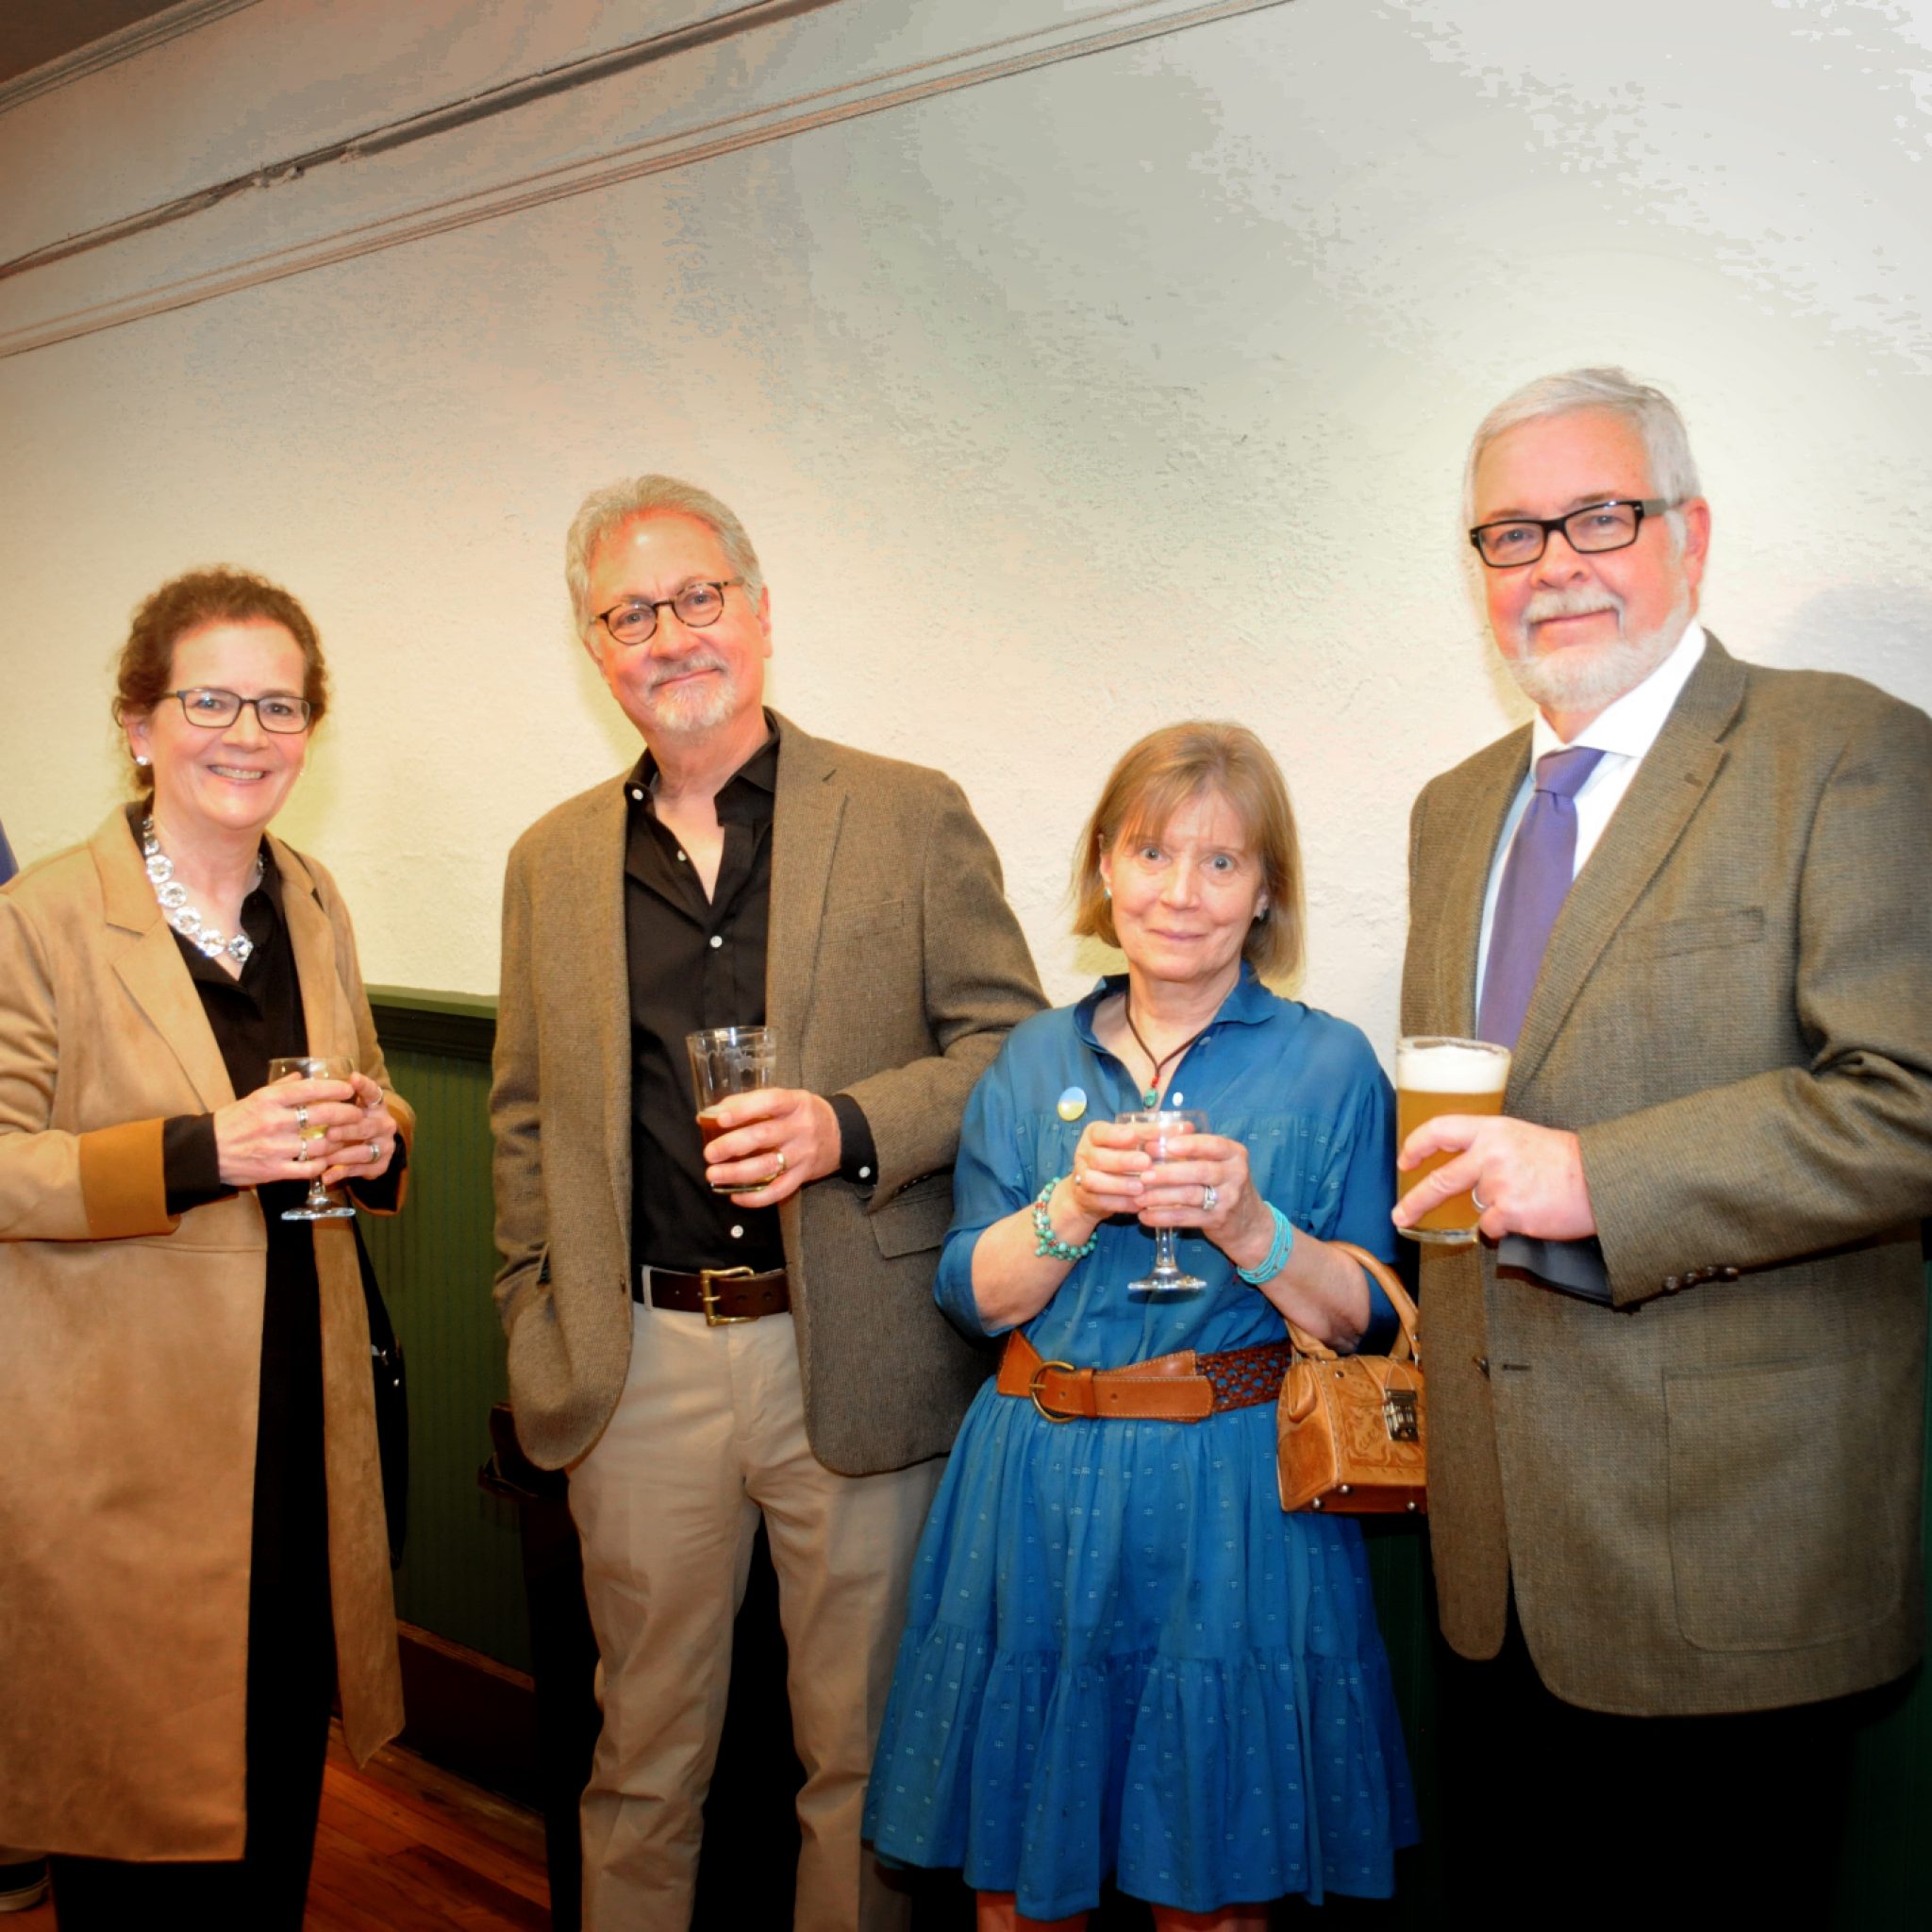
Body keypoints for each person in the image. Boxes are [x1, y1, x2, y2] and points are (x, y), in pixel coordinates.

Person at [1392, 367, 1932, 1914]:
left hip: (1734, 1556)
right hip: (1493, 1572)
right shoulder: (1451, 809)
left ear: (1686, 535)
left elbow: (1908, 1098)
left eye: (1597, 514)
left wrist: (1590, 1175)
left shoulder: (1840, 749)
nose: (1551, 559)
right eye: (1507, 532)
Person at [490, 475, 1043, 1930]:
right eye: (631, 613)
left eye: (697, 599)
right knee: (640, 1763)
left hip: (850, 1357)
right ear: (594, 645)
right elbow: (526, 1116)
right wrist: (536, 1320)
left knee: (859, 1766)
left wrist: (848, 1125)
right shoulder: (551, 859)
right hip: (642, 1365)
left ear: (760, 611)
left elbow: (1011, 1051)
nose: (670, 636)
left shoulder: (910, 814)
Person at [864, 722, 1417, 1931]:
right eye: (1151, 851)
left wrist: (1250, 1225)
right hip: (1034, 1475)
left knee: (1212, 1882)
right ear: (1102, 868)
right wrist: (1069, 1202)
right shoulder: (1025, 1059)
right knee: (1017, 1874)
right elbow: (969, 1291)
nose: (1179, 891)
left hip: (1234, 1494)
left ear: (1266, 889)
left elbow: (1368, 1315)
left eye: (1221, 862)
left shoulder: (1329, 1066)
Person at [0, 570, 411, 1927]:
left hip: (299, 1423)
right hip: (125, 1455)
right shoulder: (41, 918)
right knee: (138, 1839)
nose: (249, 731)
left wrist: (377, 1138)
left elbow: (376, 1086)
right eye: (211, 699)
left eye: (279, 704)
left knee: (275, 1806)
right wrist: (202, 1152)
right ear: (138, 723)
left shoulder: (314, 898)